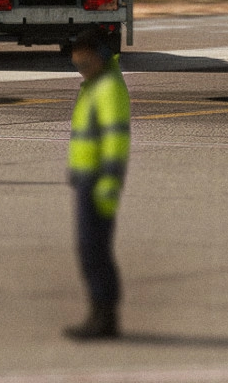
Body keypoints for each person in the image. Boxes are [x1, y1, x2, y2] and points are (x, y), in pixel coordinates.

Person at [63, 28, 130, 340]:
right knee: (90, 249)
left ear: (100, 55)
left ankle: (104, 316)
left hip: (99, 182)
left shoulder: (107, 89)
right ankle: (100, 313)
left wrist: (110, 182)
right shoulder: (94, 85)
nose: (78, 62)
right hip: (86, 178)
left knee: (94, 249)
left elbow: (116, 142)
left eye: (84, 57)